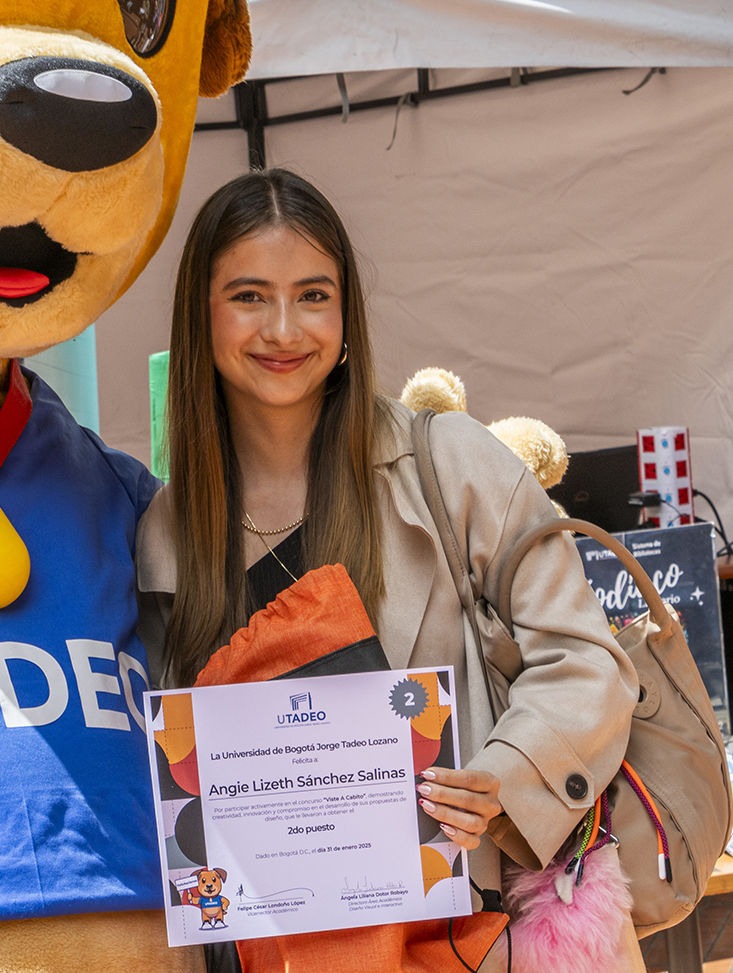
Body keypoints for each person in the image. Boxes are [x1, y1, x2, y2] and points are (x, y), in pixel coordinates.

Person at [136, 168, 641, 971]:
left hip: (469, 938)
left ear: (345, 314)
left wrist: (501, 779)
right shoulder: (166, 531)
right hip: (271, 950)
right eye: (248, 296)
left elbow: (589, 661)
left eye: (312, 295)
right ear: (201, 313)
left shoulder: (450, 463)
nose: (283, 329)